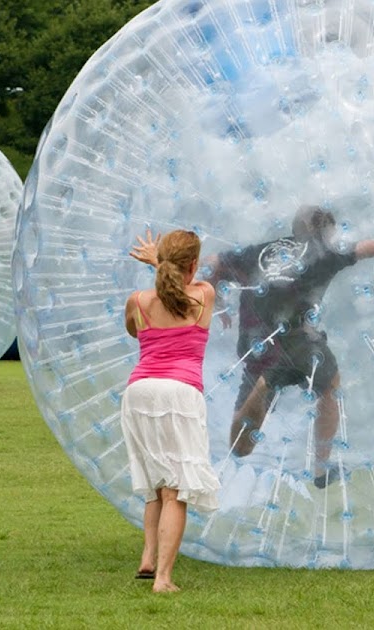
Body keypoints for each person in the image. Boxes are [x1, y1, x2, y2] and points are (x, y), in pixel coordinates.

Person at [204, 205, 374, 489]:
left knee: (241, 447)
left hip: (258, 347)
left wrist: (218, 302)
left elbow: (212, 262)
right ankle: (321, 470)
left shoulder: (259, 251)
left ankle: (263, 387)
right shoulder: (328, 253)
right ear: (327, 232)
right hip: (302, 344)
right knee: (330, 385)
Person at [122, 229, 221, 593]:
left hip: (139, 393)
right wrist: (160, 263)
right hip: (179, 394)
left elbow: (135, 332)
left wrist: (156, 264)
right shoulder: (204, 296)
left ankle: (148, 559)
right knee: (175, 491)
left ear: (161, 262)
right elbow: (181, 290)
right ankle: (163, 578)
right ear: (193, 264)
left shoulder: (138, 301)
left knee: (155, 484)